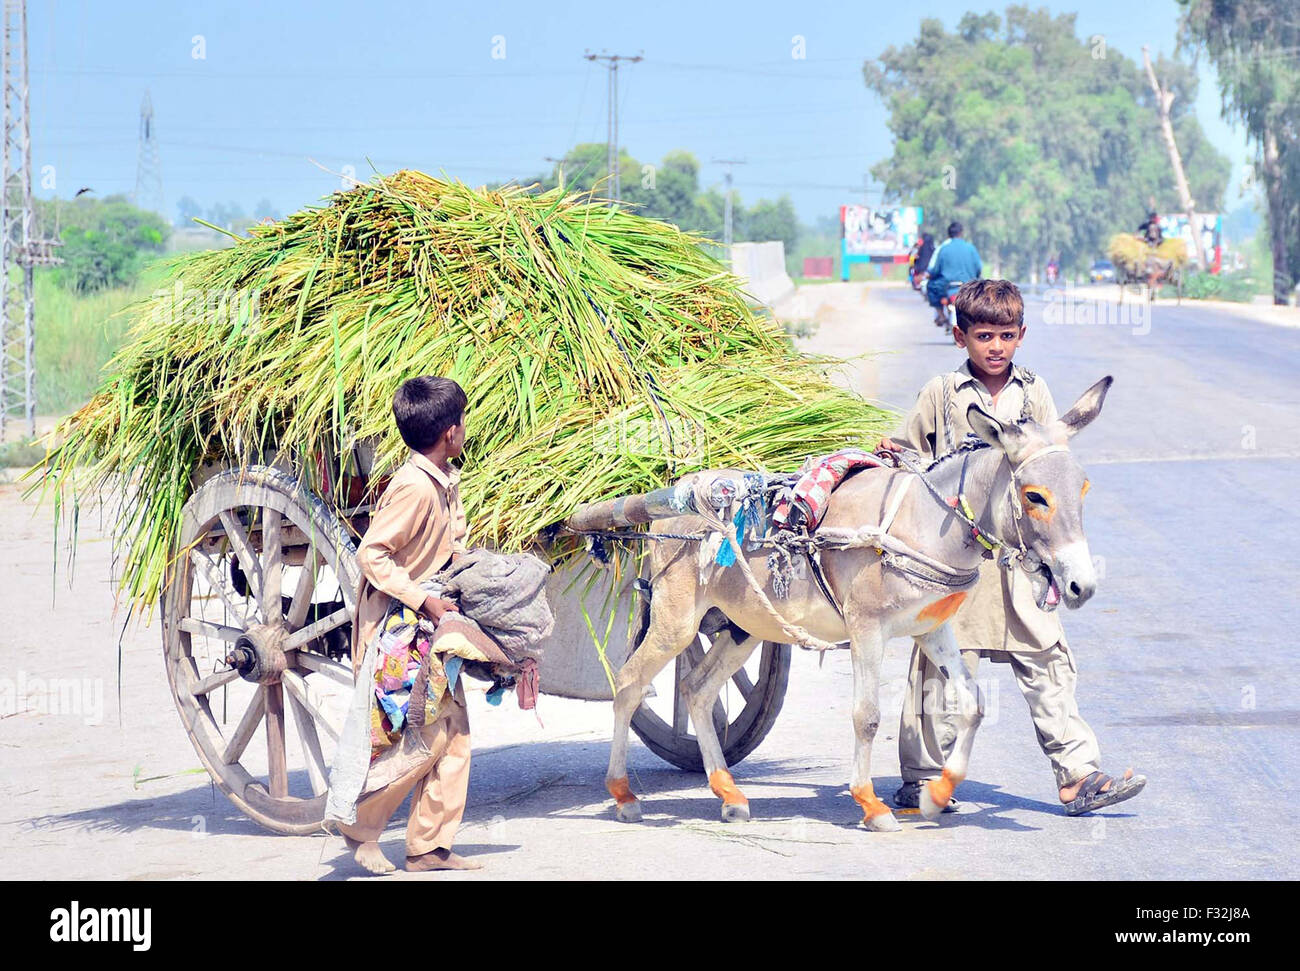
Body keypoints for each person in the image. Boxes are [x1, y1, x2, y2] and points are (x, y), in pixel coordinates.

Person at [878, 279, 1145, 816]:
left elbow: (1049, 460)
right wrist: (891, 454)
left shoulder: (1034, 392)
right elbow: (911, 452)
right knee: (941, 668)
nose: (995, 346)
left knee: (1047, 658)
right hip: (957, 558)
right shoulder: (942, 393)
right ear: (961, 337)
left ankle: (1077, 774)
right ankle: (922, 777)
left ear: (1021, 335)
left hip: (1024, 557)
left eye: (1005, 335)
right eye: (983, 336)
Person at [336, 375, 481, 874]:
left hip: (432, 630)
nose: (465, 429)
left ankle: (429, 848)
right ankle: (359, 827)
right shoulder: (415, 488)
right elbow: (371, 553)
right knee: (419, 737)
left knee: (455, 733)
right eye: (462, 422)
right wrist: (424, 599)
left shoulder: (442, 482)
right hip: (402, 633)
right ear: (450, 435)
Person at [925, 222, 981, 326]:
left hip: (946, 286)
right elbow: (978, 268)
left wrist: (931, 275)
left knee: (931, 286)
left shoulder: (943, 249)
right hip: (967, 285)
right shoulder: (971, 248)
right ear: (961, 233)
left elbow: (935, 270)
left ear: (949, 234)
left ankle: (941, 316)